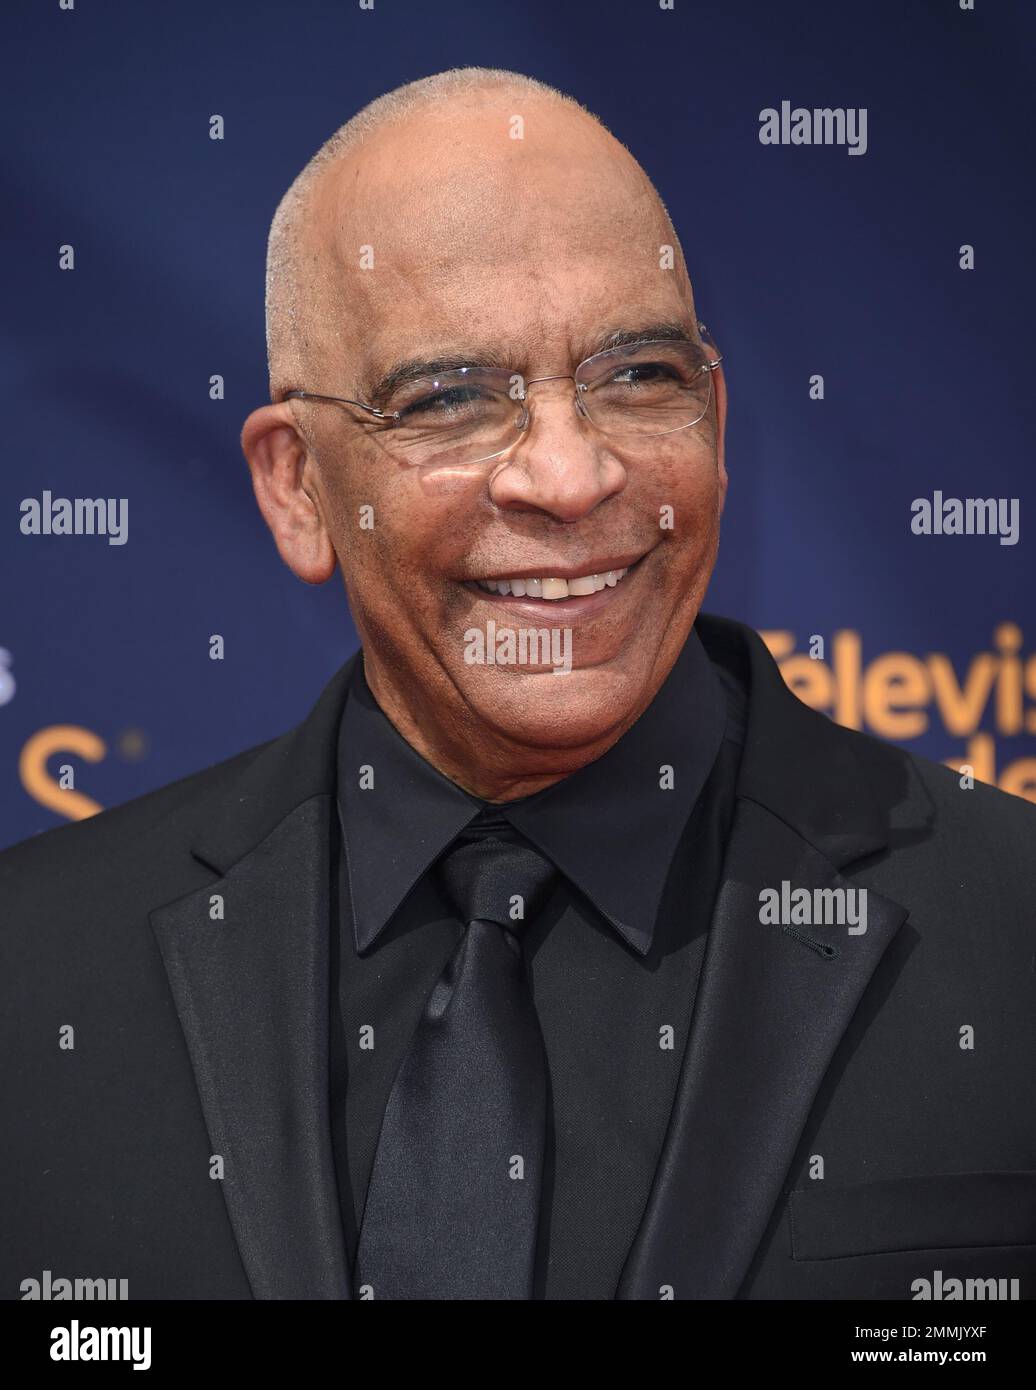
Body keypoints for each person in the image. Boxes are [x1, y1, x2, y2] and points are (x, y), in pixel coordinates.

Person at [3, 67, 1034, 1302]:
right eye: (447, 398)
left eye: (638, 375)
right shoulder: (33, 971)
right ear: (298, 486)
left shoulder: (1011, 928)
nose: (567, 473)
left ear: (714, 419)